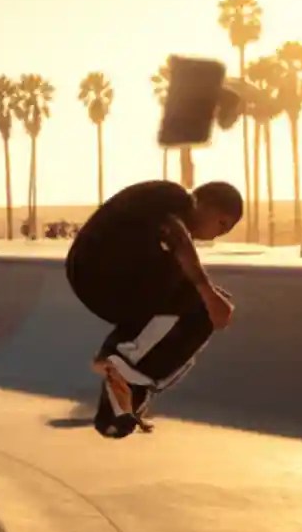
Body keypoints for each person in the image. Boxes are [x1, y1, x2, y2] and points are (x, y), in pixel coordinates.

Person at [66, 180, 242, 439]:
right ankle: (123, 365)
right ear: (206, 204)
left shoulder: (153, 217)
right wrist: (208, 293)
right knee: (202, 305)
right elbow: (178, 236)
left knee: (183, 306)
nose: (218, 234)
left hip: (100, 278)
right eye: (222, 224)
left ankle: (121, 395)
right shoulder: (174, 197)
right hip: (102, 274)